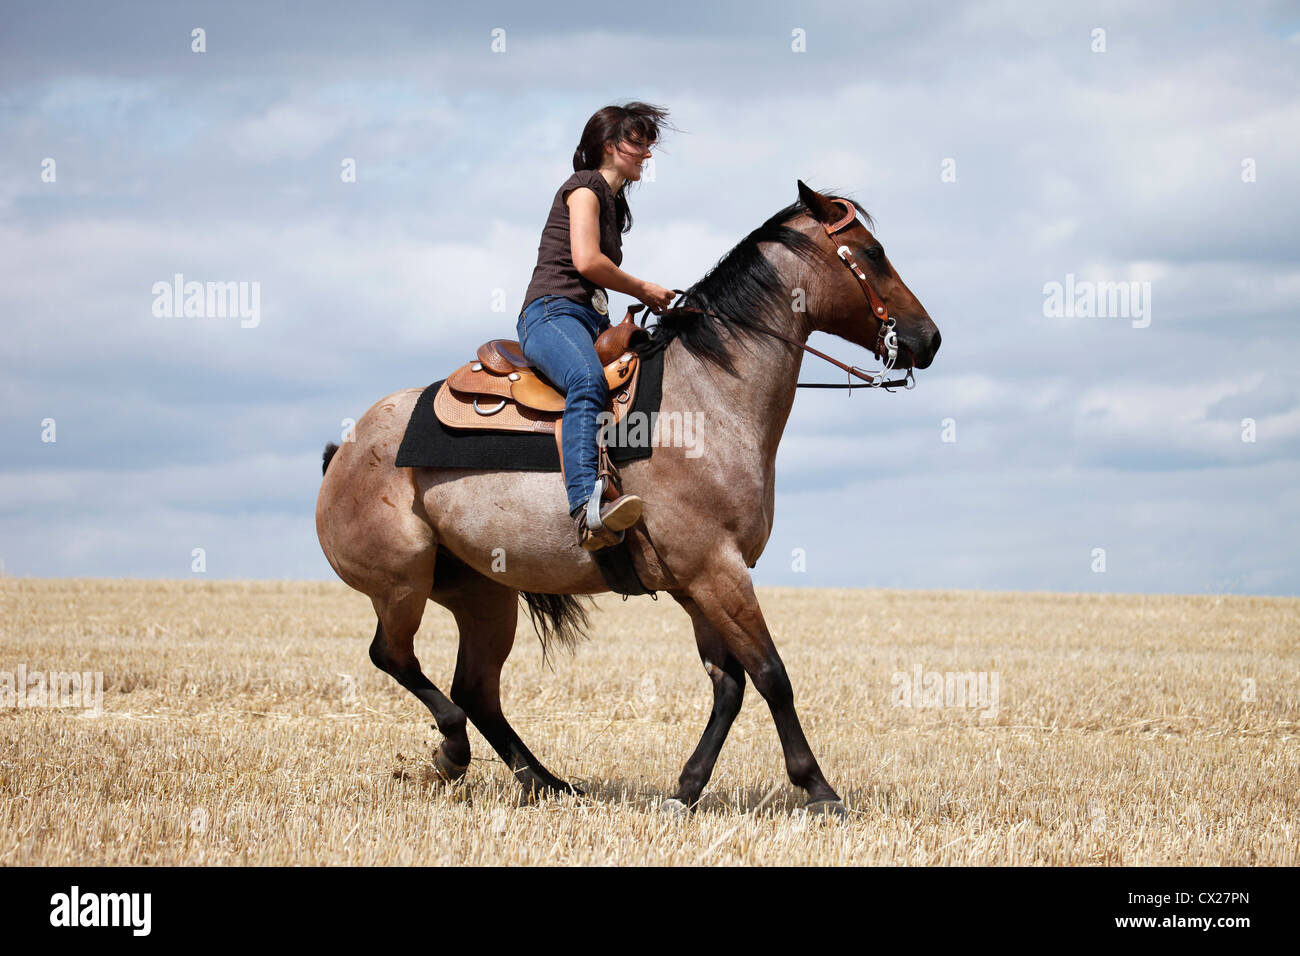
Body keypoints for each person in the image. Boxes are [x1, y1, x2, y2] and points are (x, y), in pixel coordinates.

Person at [517, 103, 675, 551]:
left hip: (591, 320)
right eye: (638, 143)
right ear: (609, 146)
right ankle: (587, 508)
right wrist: (643, 289)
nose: (646, 154)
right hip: (552, 314)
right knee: (587, 380)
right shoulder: (584, 187)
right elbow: (587, 261)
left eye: (649, 145)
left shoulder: (613, 202)